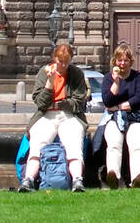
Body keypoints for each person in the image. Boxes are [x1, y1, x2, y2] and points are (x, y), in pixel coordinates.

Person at [18, 40, 88, 192]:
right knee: (37, 144)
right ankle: (28, 179)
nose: (63, 65)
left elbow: (78, 101)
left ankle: (77, 180)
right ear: (54, 58)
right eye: (60, 61)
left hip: (68, 115)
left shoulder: (76, 73)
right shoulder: (44, 72)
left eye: (66, 62)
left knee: (74, 144)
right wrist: (50, 83)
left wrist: (60, 104)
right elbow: (40, 103)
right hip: (46, 115)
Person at [98, 43, 140, 189]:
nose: (122, 63)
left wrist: (120, 106)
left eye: (125, 60)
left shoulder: (138, 77)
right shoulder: (108, 78)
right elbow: (107, 100)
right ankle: (114, 176)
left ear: (130, 62)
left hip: (134, 117)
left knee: (136, 143)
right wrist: (116, 82)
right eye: (119, 60)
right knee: (114, 142)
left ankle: (137, 178)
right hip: (113, 118)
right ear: (115, 61)